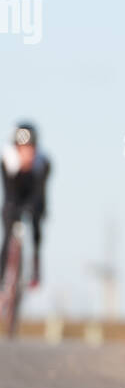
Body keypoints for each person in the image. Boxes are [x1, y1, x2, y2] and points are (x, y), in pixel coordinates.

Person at [1, 122, 51, 287]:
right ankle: (1, 278)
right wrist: (11, 210)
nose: (26, 154)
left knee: (37, 220)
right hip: (13, 197)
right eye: (22, 149)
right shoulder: (7, 161)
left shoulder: (43, 164)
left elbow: (40, 194)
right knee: (8, 232)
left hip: (34, 196)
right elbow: (8, 192)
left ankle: (35, 264)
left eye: (30, 149)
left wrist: (34, 208)